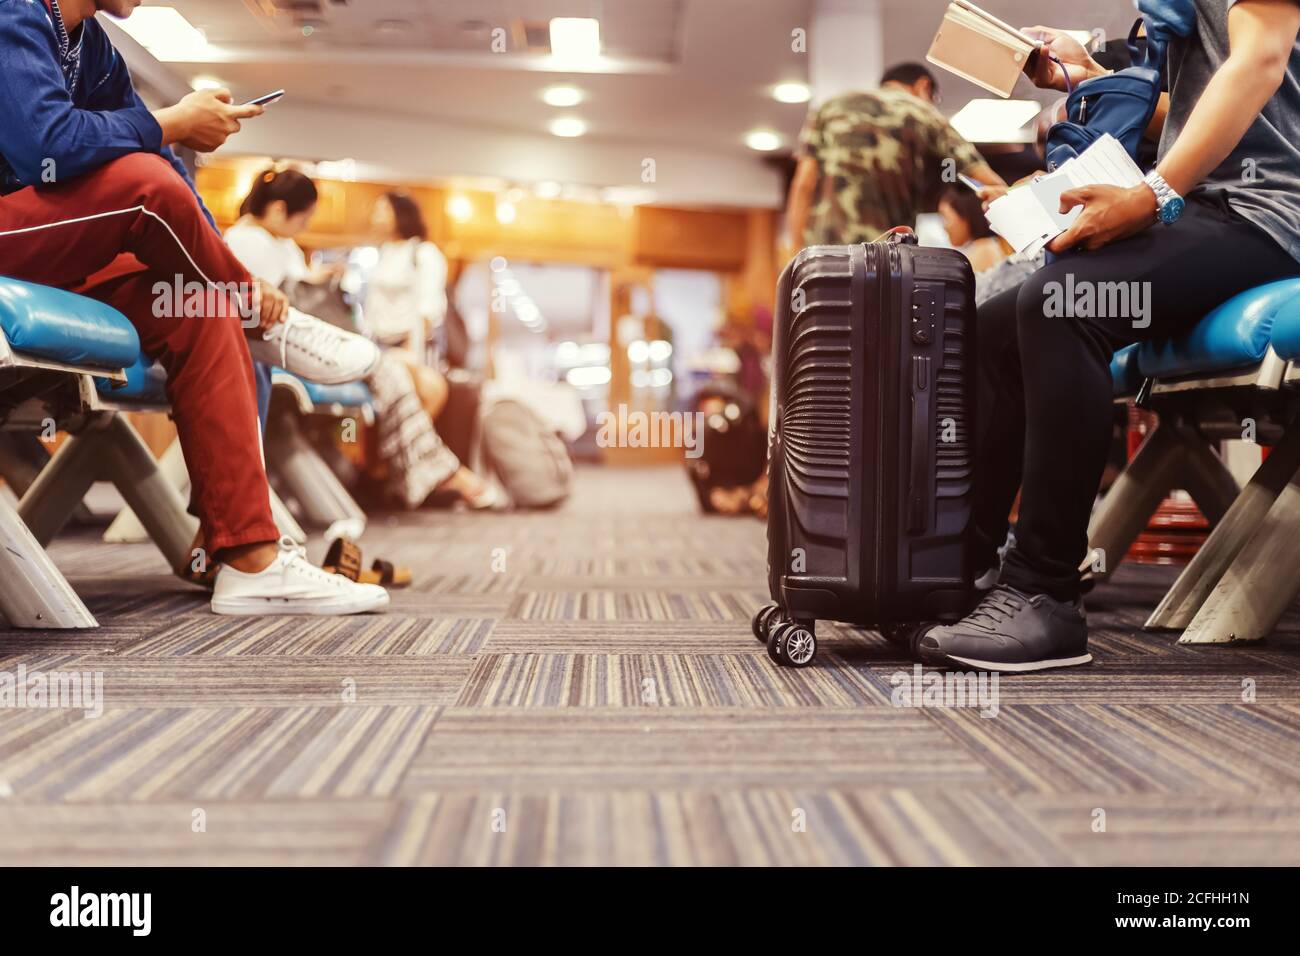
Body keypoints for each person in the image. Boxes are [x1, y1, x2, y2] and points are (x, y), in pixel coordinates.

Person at [920, 2, 1300, 672]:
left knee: (1063, 303)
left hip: (1271, 215)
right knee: (994, 325)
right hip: (1214, 205)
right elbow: (1201, 103)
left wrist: (1154, 193)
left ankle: (1045, 593)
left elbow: (1262, 61)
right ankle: (966, 570)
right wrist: (1091, 74)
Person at [0, 0, 388, 616]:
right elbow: (44, 144)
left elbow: (165, 169)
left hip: (56, 252)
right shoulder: (14, 11)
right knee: (142, 183)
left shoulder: (95, 46)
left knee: (201, 305)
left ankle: (250, 560)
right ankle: (271, 325)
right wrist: (170, 122)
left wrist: (225, 280)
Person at [226, 168, 495, 509]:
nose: (305, 228)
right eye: (303, 219)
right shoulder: (246, 242)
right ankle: (432, 472)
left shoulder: (279, 241)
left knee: (404, 378)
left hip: (311, 340)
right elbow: (271, 306)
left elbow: (296, 287)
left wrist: (317, 278)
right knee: (392, 374)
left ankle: (406, 472)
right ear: (279, 210)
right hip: (288, 346)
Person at [363, 192, 499, 508]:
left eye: (383, 209)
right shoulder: (381, 254)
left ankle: (393, 472)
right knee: (419, 392)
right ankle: (445, 475)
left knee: (430, 389)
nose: (375, 215)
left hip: (409, 345)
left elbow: (426, 310)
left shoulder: (424, 254)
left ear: (402, 214)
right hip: (377, 345)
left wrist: (412, 354)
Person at [784, 62, 1006, 247]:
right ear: (923, 86)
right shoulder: (924, 112)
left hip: (826, 254)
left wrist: (796, 255)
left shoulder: (828, 108)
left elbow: (804, 183)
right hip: (886, 258)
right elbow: (985, 178)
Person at [938, 185, 1009, 272]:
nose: (944, 227)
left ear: (965, 215)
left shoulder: (984, 250)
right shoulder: (986, 246)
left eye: (945, 217)